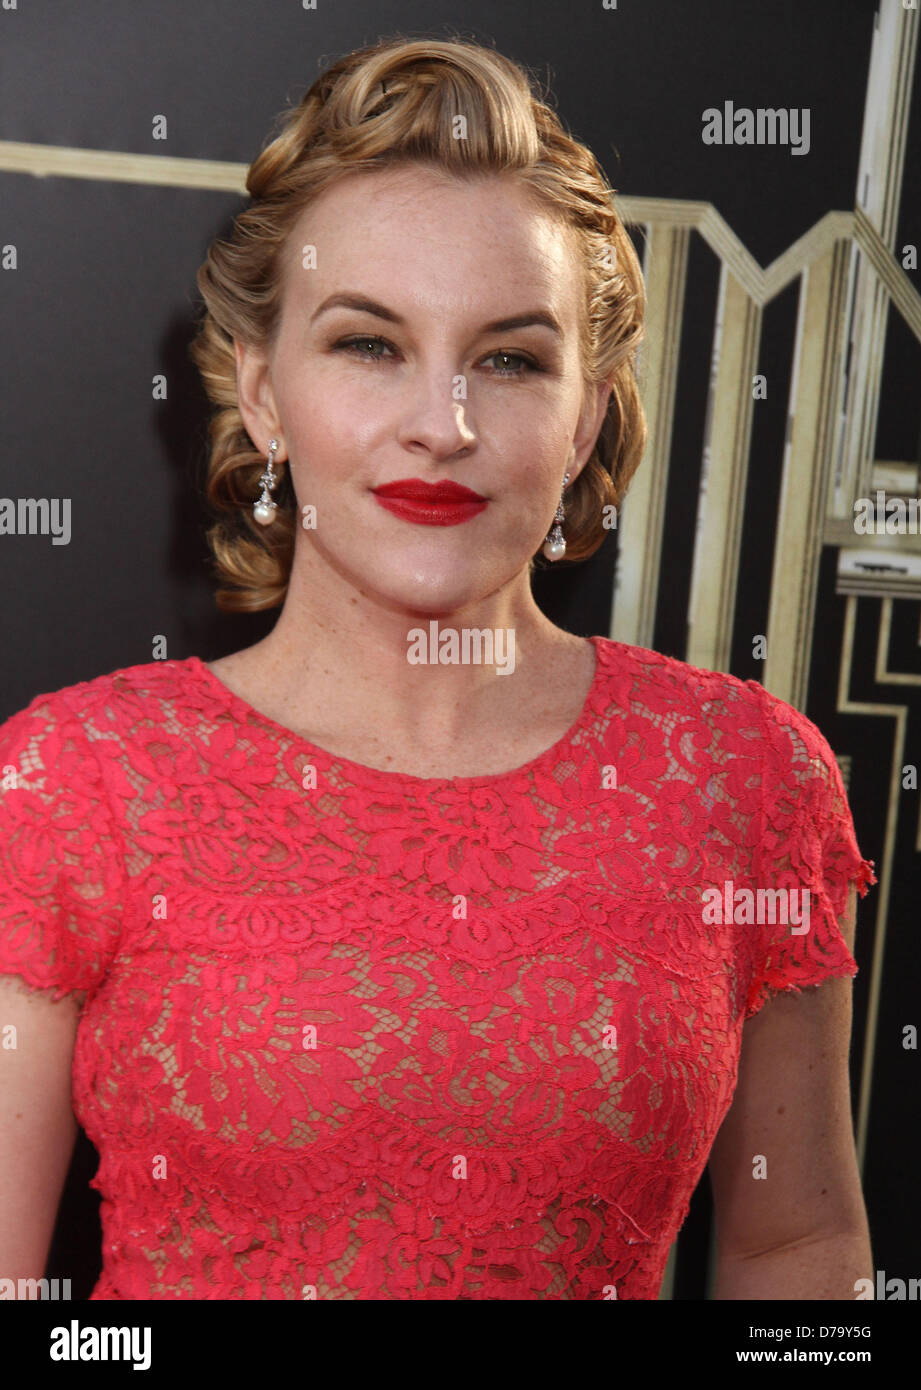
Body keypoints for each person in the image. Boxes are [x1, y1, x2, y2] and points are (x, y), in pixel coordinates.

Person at [0, 35, 875, 1301]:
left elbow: (799, 1249)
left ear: (582, 418)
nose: (442, 423)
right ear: (263, 394)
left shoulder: (748, 782)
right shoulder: (70, 787)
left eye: (510, 358)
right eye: (368, 344)